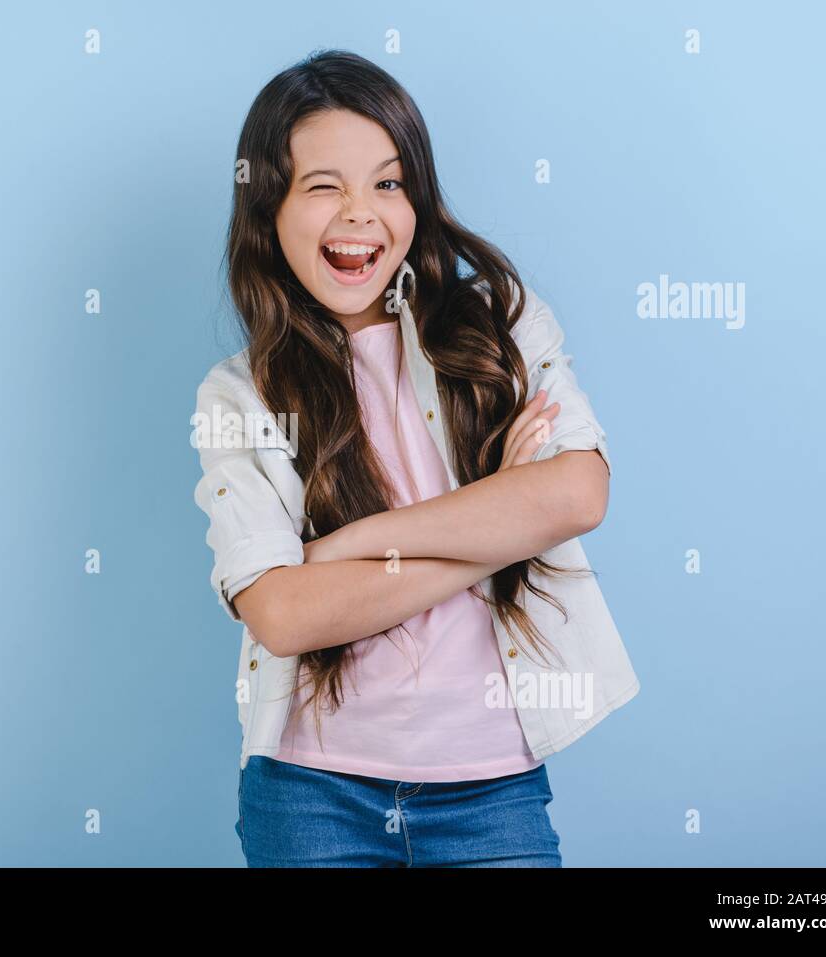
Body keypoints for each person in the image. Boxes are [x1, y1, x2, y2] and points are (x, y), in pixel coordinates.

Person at [191, 49, 640, 867]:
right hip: (309, 793)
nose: (360, 214)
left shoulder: (498, 325)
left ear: (417, 200)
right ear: (270, 210)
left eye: (388, 183)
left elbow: (578, 494)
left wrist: (345, 549)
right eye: (324, 185)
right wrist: (501, 514)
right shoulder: (239, 395)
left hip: (493, 788)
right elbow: (284, 614)